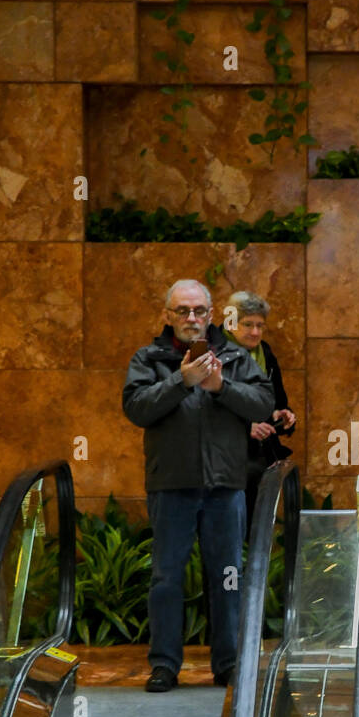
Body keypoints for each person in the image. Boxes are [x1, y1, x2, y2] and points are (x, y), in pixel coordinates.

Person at [123, 279, 275, 692]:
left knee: (228, 575)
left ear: (212, 315)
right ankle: (165, 666)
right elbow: (136, 408)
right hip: (171, 487)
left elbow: (264, 403)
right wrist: (182, 381)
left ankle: (228, 664)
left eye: (199, 311)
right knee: (167, 578)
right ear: (167, 316)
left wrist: (220, 387)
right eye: (182, 311)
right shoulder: (149, 358)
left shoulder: (235, 358)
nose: (191, 318)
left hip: (225, 487)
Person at [224, 290, 297, 532]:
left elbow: (276, 400)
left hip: (261, 458)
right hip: (224, 462)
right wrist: (247, 428)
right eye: (248, 325)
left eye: (260, 326)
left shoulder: (265, 353)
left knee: (258, 529)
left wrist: (282, 415)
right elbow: (204, 408)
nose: (255, 332)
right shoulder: (213, 354)